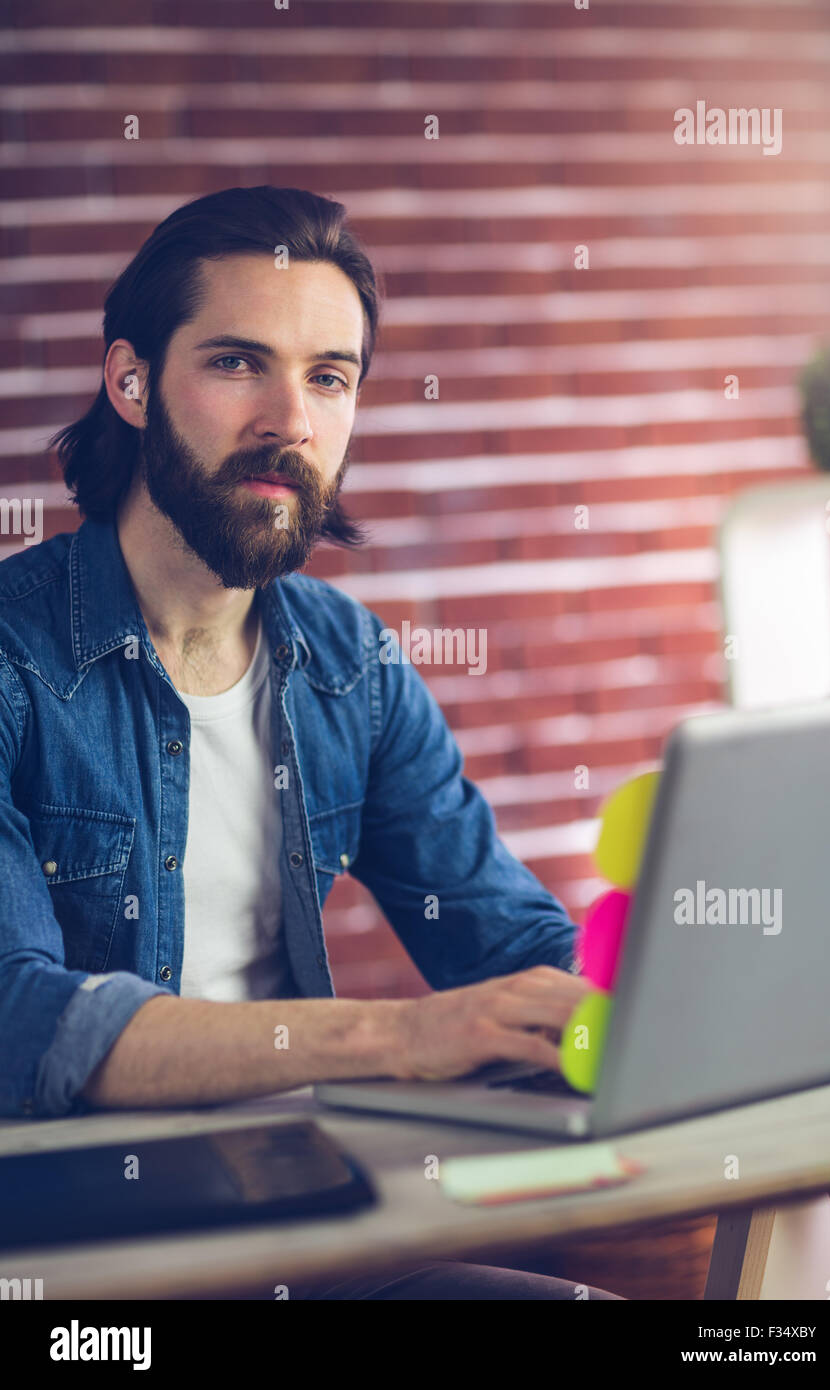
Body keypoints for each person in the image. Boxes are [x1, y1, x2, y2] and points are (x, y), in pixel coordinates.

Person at [0, 186, 620, 1299]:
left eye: (328, 376)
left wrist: (641, 1016)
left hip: (306, 1224)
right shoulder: (12, 664)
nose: (290, 418)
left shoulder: (352, 666)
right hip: (75, 1263)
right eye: (239, 363)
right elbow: (20, 1022)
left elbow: (503, 945)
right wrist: (395, 1037)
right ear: (130, 383)